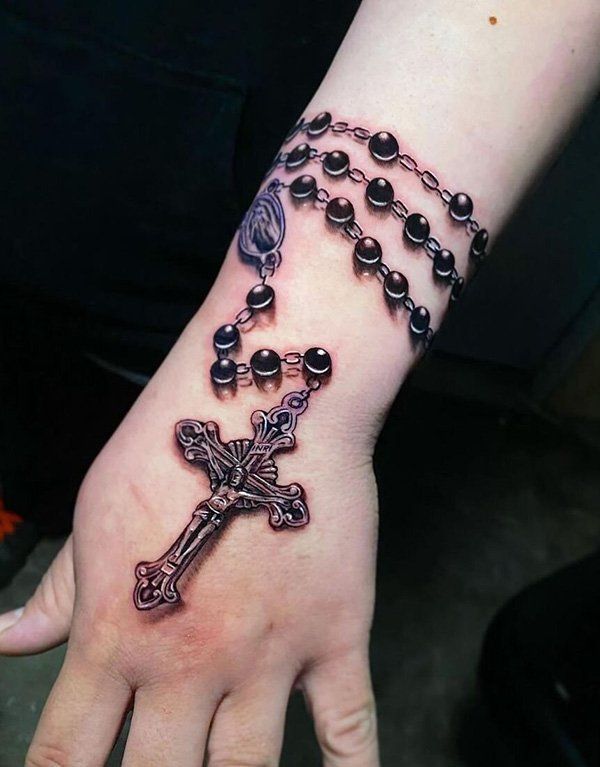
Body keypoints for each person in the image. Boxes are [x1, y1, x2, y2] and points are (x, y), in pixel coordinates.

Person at [0, 1, 599, 764]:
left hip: (206, 155)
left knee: (119, 383)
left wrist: (319, 315)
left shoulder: (252, 455)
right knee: (39, 370)